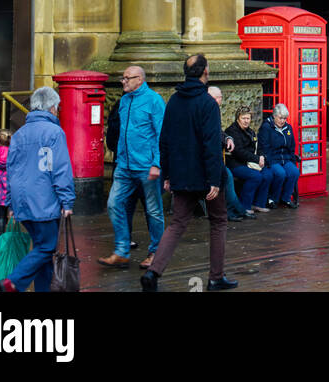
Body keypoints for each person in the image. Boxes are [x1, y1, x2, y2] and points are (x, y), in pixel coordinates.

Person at [140, 54, 236, 293]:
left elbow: (165, 141)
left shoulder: (173, 101)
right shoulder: (207, 103)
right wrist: (214, 180)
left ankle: (153, 273)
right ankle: (215, 278)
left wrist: (168, 176)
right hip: (206, 176)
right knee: (218, 222)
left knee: (177, 224)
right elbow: (211, 144)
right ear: (205, 73)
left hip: (181, 175)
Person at [0, 86, 75, 293]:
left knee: (41, 249)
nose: (57, 111)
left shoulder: (20, 134)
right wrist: (67, 201)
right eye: (57, 108)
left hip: (22, 200)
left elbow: (11, 170)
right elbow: (60, 169)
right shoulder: (55, 132)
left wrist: (10, 202)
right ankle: (13, 281)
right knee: (46, 247)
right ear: (52, 108)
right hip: (44, 201)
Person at [99, 65, 166, 270]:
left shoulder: (154, 100)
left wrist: (157, 163)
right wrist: (118, 158)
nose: (123, 81)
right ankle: (121, 252)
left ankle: (156, 253)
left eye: (127, 78)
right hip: (124, 166)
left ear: (140, 79)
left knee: (154, 211)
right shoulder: (124, 101)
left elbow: (161, 134)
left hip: (147, 166)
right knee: (113, 204)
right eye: (123, 77)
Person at [105, 95, 146, 250]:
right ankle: (156, 246)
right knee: (151, 207)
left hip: (122, 163)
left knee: (123, 204)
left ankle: (124, 241)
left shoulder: (118, 107)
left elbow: (110, 141)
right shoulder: (147, 105)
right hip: (142, 164)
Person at [208, 87, 249, 222]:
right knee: (227, 177)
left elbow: (219, 132)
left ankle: (236, 210)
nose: (221, 100)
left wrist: (227, 138)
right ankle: (236, 210)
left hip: (215, 159)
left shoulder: (214, 111)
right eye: (219, 97)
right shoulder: (207, 112)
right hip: (207, 160)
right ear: (213, 98)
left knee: (227, 177)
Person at [225, 105, 273, 214]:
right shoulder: (232, 131)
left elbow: (258, 147)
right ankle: (244, 206)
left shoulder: (250, 132)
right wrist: (257, 159)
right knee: (255, 176)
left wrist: (261, 157)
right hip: (235, 164)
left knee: (268, 174)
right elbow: (239, 152)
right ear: (238, 118)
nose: (246, 121)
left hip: (249, 163)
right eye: (243, 118)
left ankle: (258, 204)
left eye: (248, 118)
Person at [258, 104, 300, 208]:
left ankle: (285, 198)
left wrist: (291, 159)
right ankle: (272, 199)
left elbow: (291, 146)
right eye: (280, 118)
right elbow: (264, 147)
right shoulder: (266, 128)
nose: (283, 121)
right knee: (280, 174)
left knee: (294, 172)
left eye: (285, 118)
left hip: (285, 158)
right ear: (274, 116)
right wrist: (270, 160)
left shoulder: (288, 127)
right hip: (272, 158)